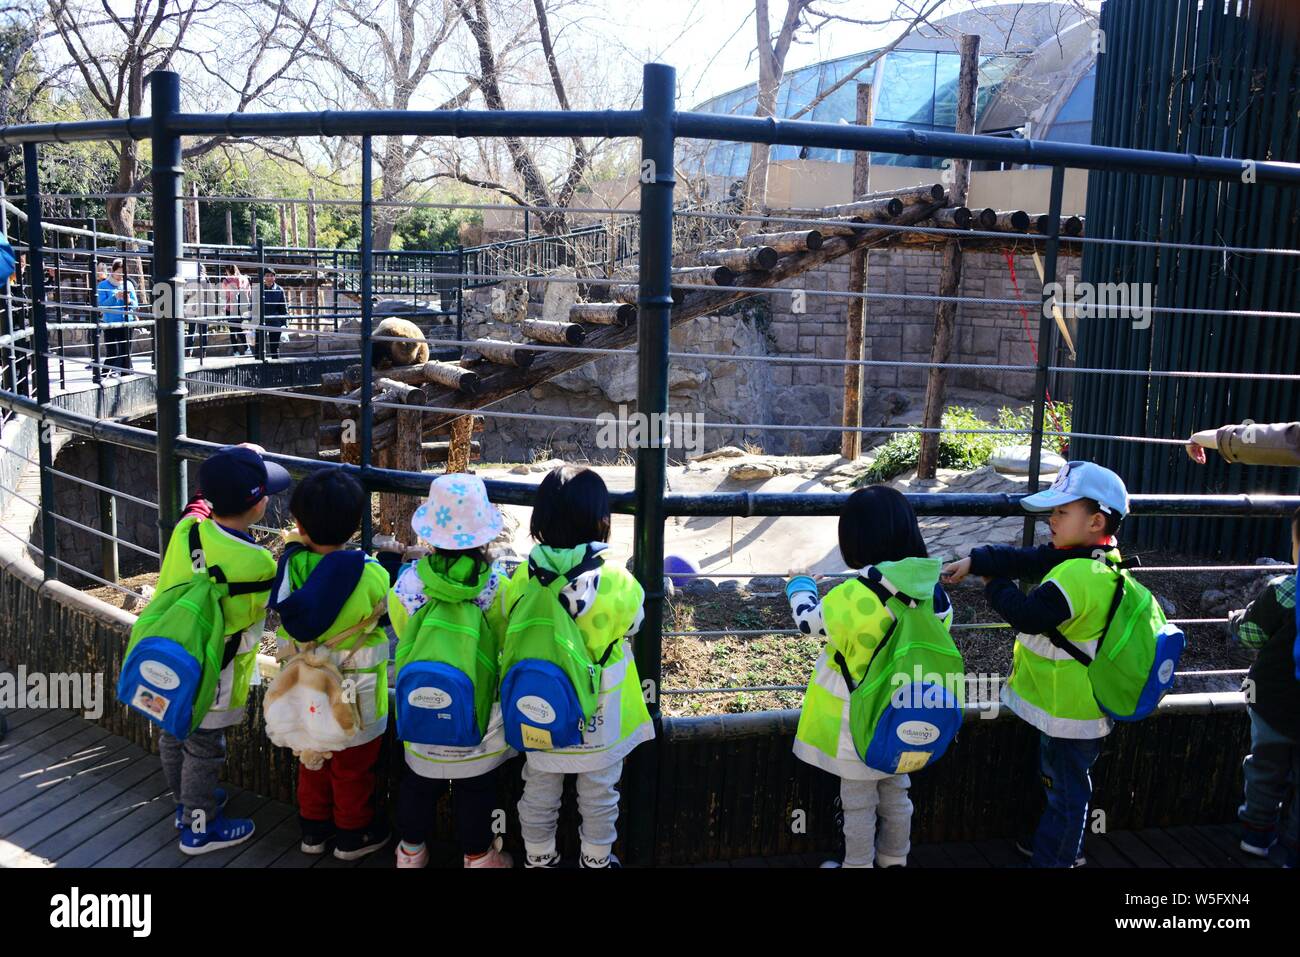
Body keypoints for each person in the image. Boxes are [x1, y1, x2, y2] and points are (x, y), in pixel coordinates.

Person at [942, 461, 1130, 868]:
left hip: (1071, 711)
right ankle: (1055, 844)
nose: (1051, 519)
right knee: (1061, 783)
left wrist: (993, 584)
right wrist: (979, 560)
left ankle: (1057, 858)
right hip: (1070, 705)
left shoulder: (1079, 577)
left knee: (1066, 791)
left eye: (1062, 512)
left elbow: (1027, 615)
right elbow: (1029, 559)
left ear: (1095, 520)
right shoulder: (1092, 558)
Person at [785, 485, 953, 868]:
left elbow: (810, 624)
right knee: (897, 792)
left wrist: (799, 585)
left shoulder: (856, 594)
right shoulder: (935, 593)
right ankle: (895, 860)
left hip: (858, 715)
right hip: (910, 710)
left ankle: (857, 864)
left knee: (858, 800)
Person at [501, 466, 653, 868]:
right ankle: (596, 859)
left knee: (538, 789)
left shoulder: (522, 576)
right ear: (603, 522)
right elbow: (636, 623)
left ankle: (539, 857)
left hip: (539, 707)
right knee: (601, 792)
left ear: (540, 522)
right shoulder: (617, 580)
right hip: (602, 711)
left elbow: (504, 618)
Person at [157, 444, 289, 855]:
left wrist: (235, 457)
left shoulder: (187, 530)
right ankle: (199, 826)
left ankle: (185, 804)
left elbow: (198, 505)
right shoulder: (258, 563)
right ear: (257, 505)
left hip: (169, 650)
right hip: (216, 667)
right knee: (204, 748)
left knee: (173, 730)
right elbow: (262, 609)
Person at [388, 474, 515, 868]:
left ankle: (410, 851)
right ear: (485, 535)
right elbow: (504, 635)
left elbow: (400, 626)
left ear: (430, 534)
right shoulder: (495, 584)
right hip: (474, 711)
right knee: (476, 788)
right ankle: (478, 856)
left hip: (421, 706)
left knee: (417, 786)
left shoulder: (408, 581)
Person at [268, 468, 393, 860]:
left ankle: (313, 830)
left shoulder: (291, 569)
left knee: (313, 757)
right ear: (356, 524)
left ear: (299, 525)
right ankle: (352, 835)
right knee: (353, 765)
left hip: (305, 688)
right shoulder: (371, 573)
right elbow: (389, 614)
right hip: (356, 692)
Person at [1228, 506, 1299, 868]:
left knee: (1265, 766)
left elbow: (1251, 634)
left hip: (1272, 701)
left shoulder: (1284, 590)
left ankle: (1256, 834)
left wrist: (1237, 619)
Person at [96, 258, 137, 374]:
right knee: (112, 352)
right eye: (119, 271)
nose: (121, 275)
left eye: (123, 272)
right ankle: (103, 375)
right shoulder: (103, 285)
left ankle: (126, 374)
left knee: (126, 351)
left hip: (127, 321)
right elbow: (102, 305)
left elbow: (135, 304)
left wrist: (129, 301)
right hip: (110, 323)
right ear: (113, 271)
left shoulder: (128, 284)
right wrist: (115, 297)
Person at [261, 269, 288, 358]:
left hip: (275, 321)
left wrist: (284, 325)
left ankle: (276, 366)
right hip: (261, 320)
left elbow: (283, 308)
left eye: (271, 275)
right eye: (267, 275)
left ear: (274, 277)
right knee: (259, 347)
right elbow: (254, 307)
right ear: (264, 277)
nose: (269, 278)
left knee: (274, 347)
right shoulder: (258, 289)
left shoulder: (279, 290)